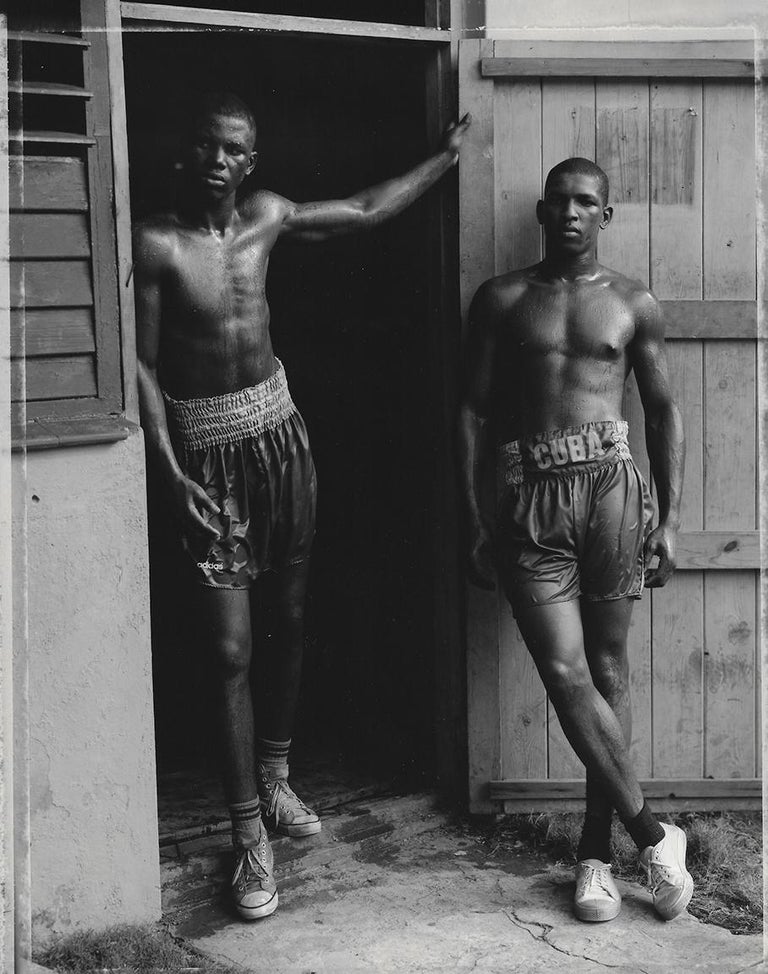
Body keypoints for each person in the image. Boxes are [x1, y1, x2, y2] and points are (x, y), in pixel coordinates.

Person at [134, 91, 470, 921]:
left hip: (280, 442)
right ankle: (248, 833)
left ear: (251, 162)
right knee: (229, 650)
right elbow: (143, 366)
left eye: (233, 149)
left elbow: (364, 209)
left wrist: (445, 158)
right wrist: (171, 476)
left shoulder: (268, 216)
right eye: (206, 145)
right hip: (206, 457)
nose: (218, 160)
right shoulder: (156, 243)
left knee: (287, 621)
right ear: (185, 152)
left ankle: (276, 778)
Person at [458, 157, 692, 923]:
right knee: (565, 672)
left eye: (585, 201)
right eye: (558, 200)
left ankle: (595, 855)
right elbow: (471, 411)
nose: (570, 212)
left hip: (611, 492)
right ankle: (654, 836)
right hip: (531, 496)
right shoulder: (502, 299)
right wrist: (475, 515)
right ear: (540, 211)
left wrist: (671, 518)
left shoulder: (632, 302)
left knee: (608, 668)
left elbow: (662, 409)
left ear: (605, 214)